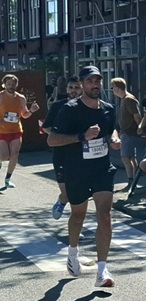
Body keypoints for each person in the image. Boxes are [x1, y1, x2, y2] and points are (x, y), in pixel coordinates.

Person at [47, 66, 121, 288]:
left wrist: (114, 139)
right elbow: (52, 140)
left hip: (101, 169)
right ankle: (72, 253)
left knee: (105, 215)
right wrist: (82, 136)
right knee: (78, 215)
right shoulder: (69, 110)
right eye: (90, 81)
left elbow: (112, 130)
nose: (95, 84)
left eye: (98, 80)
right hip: (76, 169)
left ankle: (102, 270)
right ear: (82, 84)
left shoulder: (108, 109)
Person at [42, 76, 83, 219]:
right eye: (71, 88)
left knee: (78, 191)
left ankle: (76, 223)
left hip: (80, 153)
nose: (73, 91)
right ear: (66, 89)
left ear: (82, 88)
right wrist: (60, 137)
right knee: (67, 192)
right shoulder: (58, 106)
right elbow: (46, 126)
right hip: (61, 153)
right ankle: (62, 200)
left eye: (77, 87)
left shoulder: (88, 106)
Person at [0, 74, 41, 191]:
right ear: (4, 84)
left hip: (16, 130)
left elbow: (24, 115)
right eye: (9, 84)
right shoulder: (1, 97)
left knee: (15, 155)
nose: (11, 86)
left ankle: (7, 179)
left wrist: (31, 111)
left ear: (16, 85)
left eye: (13, 84)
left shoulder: (21, 98)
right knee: (4, 156)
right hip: (2, 131)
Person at [110, 77, 146, 190]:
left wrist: (141, 128)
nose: (112, 90)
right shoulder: (124, 99)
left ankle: (131, 179)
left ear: (117, 87)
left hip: (130, 132)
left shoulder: (129, 99)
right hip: (126, 132)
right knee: (130, 157)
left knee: (125, 157)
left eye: (112, 87)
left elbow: (136, 115)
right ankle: (134, 179)